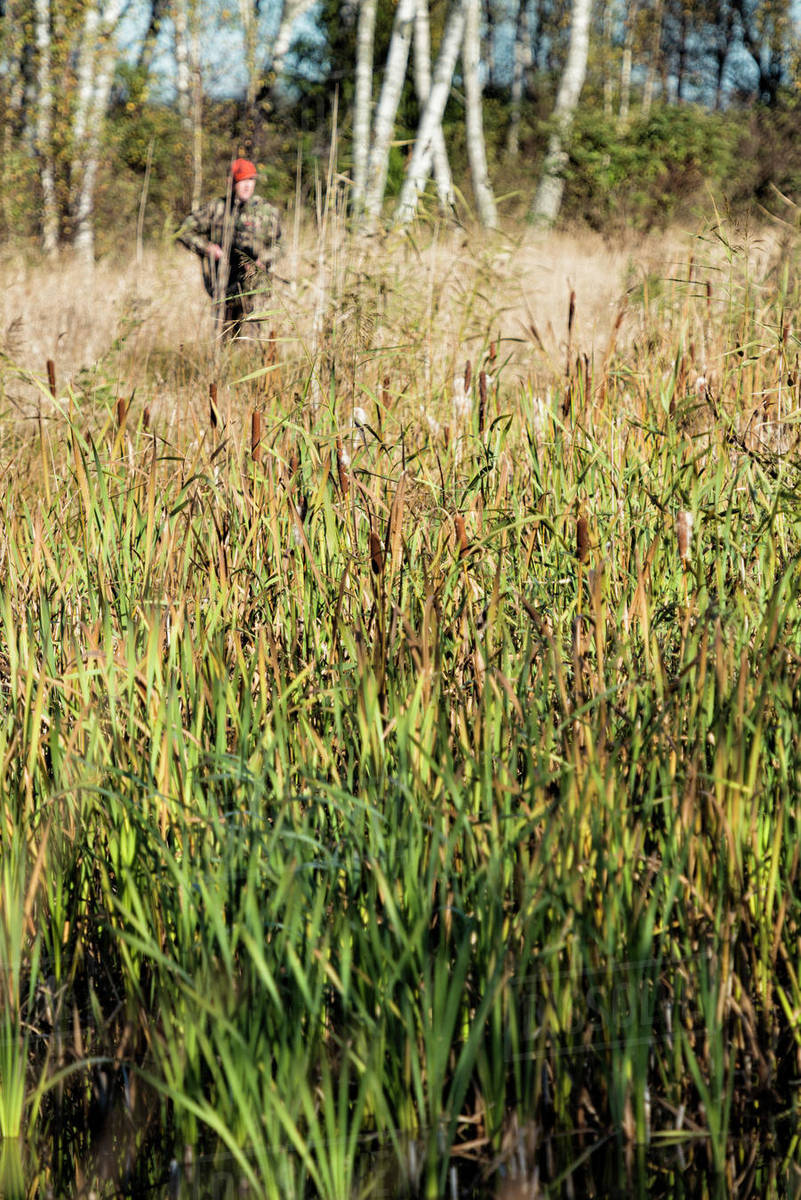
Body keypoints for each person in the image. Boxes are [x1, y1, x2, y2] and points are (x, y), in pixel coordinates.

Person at [176, 158, 282, 338]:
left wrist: (262, 260)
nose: (247, 185)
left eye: (251, 180)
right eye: (242, 180)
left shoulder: (266, 212)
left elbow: (280, 244)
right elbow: (184, 231)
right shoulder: (216, 209)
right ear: (231, 182)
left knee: (253, 338)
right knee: (225, 337)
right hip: (225, 285)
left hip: (256, 287)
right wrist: (208, 248)